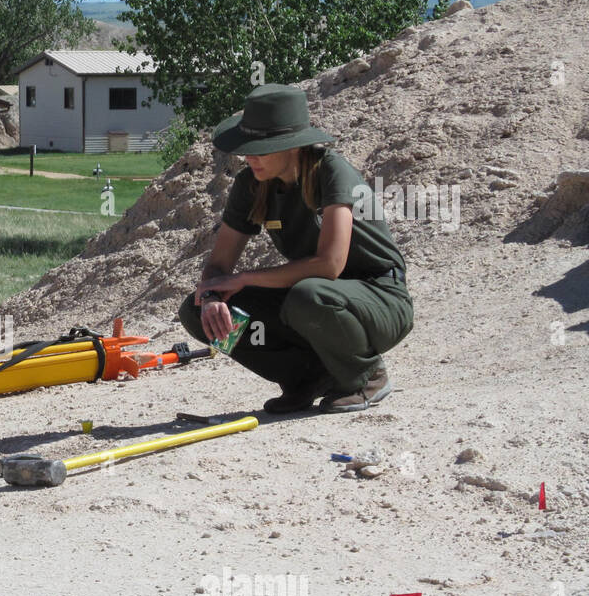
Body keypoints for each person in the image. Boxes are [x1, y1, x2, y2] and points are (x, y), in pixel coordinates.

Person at [177, 84, 413, 414]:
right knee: (196, 311)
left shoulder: (331, 173)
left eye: (261, 148)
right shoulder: (251, 184)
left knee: (308, 295)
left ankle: (366, 375)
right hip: (315, 302)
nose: (250, 157)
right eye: (248, 148)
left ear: (290, 147)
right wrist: (213, 298)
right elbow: (217, 266)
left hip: (378, 301)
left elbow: (330, 264)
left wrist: (245, 278)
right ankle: (308, 378)